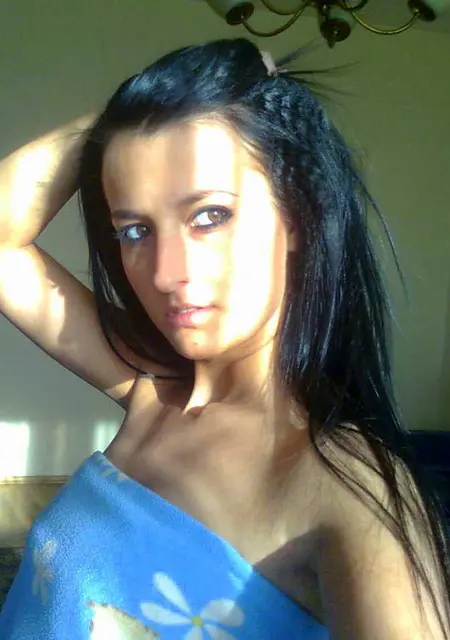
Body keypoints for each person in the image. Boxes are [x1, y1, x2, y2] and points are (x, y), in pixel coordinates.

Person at [0, 38, 448, 639]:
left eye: (210, 216)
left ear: (299, 214)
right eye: (135, 230)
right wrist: (121, 117)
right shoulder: (152, 387)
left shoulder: (344, 491)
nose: (165, 274)